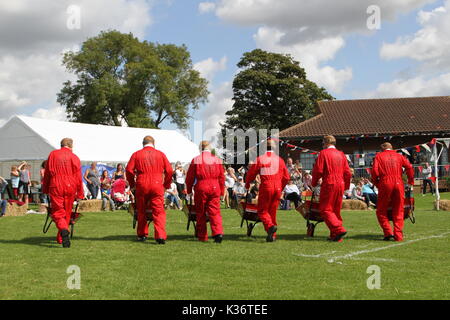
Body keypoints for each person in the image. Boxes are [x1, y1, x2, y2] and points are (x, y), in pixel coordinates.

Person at [126, 136, 173, 244]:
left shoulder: (136, 154)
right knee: (158, 211)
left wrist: (132, 184)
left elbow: (129, 170)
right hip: (157, 184)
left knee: (141, 210)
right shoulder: (160, 154)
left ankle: (142, 234)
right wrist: (166, 184)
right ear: (154, 143)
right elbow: (169, 170)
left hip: (142, 184)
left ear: (143, 143)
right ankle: (160, 236)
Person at [42, 138, 84, 248]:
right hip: (71, 185)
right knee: (67, 212)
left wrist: (45, 188)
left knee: (57, 212)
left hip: (56, 184)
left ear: (61, 145)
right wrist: (80, 194)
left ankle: (64, 230)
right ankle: (61, 237)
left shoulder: (53, 154)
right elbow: (79, 177)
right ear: (71, 146)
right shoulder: (75, 157)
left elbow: (47, 173)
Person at [245, 139, 290, 242]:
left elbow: (251, 174)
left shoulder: (260, 159)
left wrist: (247, 184)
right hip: (277, 187)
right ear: (274, 147)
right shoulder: (280, 160)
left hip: (266, 186)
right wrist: (281, 187)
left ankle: (270, 226)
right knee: (272, 212)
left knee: (262, 210)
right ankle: (272, 235)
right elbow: (287, 177)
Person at [312, 135, 352, 242]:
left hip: (329, 182)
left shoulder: (323, 153)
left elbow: (318, 170)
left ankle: (339, 230)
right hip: (341, 183)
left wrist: (314, 182)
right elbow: (348, 173)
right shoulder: (341, 154)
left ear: (325, 143)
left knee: (325, 209)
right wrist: (346, 186)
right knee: (335, 210)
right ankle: (335, 236)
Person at [371, 142, 414, 241]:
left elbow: (374, 172)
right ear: (391, 148)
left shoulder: (379, 156)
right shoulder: (399, 156)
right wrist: (410, 181)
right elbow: (409, 167)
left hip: (385, 182)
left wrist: (377, 183)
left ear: (383, 149)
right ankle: (398, 236)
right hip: (398, 182)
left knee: (381, 210)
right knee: (398, 209)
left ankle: (388, 232)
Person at [186, 141, 225, 243]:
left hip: (202, 186)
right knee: (215, 212)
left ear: (200, 148)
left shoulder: (196, 160)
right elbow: (222, 177)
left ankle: (203, 236)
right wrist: (222, 192)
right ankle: (218, 233)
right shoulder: (217, 160)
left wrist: (189, 190)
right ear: (210, 148)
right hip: (215, 186)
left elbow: (190, 177)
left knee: (201, 212)